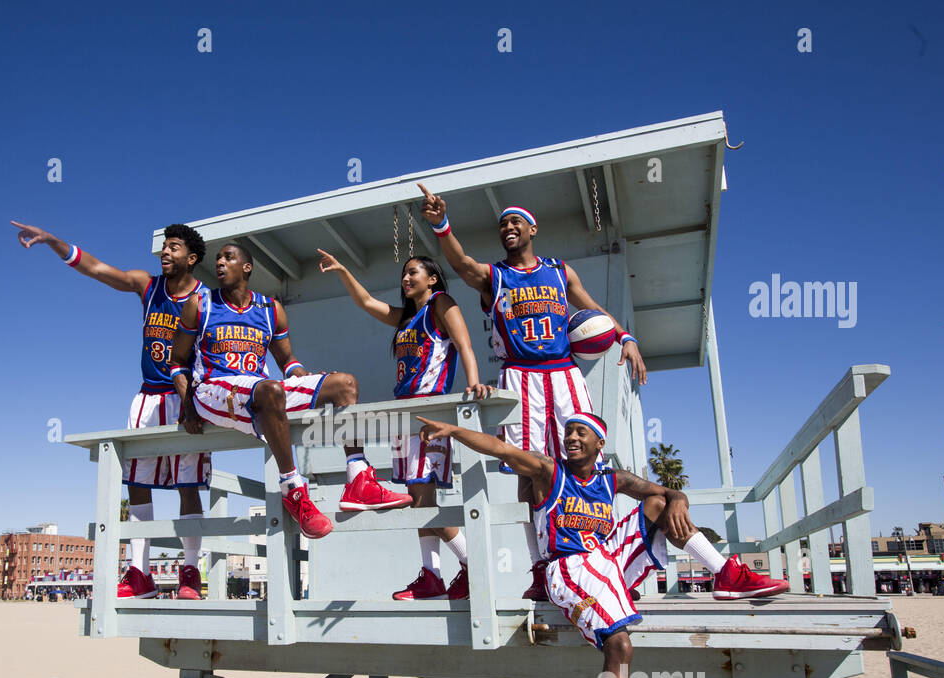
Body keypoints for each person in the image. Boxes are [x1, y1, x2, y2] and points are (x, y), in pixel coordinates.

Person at [414, 410, 790, 678]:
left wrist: (678, 498)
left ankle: (726, 574)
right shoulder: (548, 472)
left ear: (599, 444)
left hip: (606, 559)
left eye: (581, 433)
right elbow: (502, 448)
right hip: (569, 566)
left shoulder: (612, 480)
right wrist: (454, 431)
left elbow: (659, 491)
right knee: (620, 645)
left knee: (660, 503)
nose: (572, 437)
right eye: (568, 432)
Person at [415, 184, 649, 602]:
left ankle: (598, 555)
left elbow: (593, 310)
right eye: (502, 223)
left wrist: (625, 337)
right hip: (520, 376)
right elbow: (463, 263)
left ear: (532, 229)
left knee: (585, 465)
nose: (507, 227)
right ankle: (542, 566)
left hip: (564, 374)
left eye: (515, 222)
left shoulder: (561, 271)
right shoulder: (496, 276)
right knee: (529, 474)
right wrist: (441, 225)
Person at [12, 220, 208, 600]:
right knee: (136, 482)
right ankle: (140, 573)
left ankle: (189, 571)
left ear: (192, 257)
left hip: (186, 395)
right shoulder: (147, 286)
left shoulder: (206, 299)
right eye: (163, 247)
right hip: (149, 396)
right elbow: (98, 270)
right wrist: (55, 241)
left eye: (173, 247)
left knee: (188, 484)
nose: (165, 253)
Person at [170, 243, 411, 539]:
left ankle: (359, 478)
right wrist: (187, 406)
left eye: (228, 257)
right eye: (218, 258)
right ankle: (293, 489)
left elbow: (287, 361)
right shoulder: (200, 303)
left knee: (344, 384)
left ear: (247, 267)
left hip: (259, 390)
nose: (220, 262)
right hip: (211, 391)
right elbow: (178, 362)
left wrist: (302, 377)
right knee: (270, 390)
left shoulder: (270, 308)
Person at [317, 249, 492, 599]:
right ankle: (432, 576)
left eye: (413, 272)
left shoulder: (442, 303)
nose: (406, 278)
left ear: (432, 278)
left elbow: (464, 344)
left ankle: (474, 564)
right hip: (404, 415)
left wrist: (473, 382)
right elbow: (367, 302)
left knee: (421, 500)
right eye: (403, 274)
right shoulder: (406, 319)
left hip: (427, 412)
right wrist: (342, 270)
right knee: (418, 499)